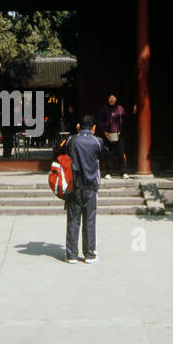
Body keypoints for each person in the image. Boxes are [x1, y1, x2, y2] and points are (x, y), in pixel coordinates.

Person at [64, 115, 103, 263]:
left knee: (73, 220)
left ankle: (71, 255)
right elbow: (103, 155)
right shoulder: (97, 142)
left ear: (79, 126)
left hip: (74, 186)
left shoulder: (70, 140)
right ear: (93, 127)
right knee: (90, 220)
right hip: (90, 186)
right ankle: (89, 254)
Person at [98, 94, 133, 179]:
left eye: (113, 97)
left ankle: (123, 172)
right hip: (108, 134)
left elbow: (127, 116)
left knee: (121, 153)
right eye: (110, 97)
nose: (111, 99)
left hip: (118, 134)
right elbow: (100, 121)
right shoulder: (104, 108)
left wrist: (133, 112)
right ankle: (108, 172)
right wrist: (105, 132)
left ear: (116, 99)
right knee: (108, 154)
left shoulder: (120, 108)